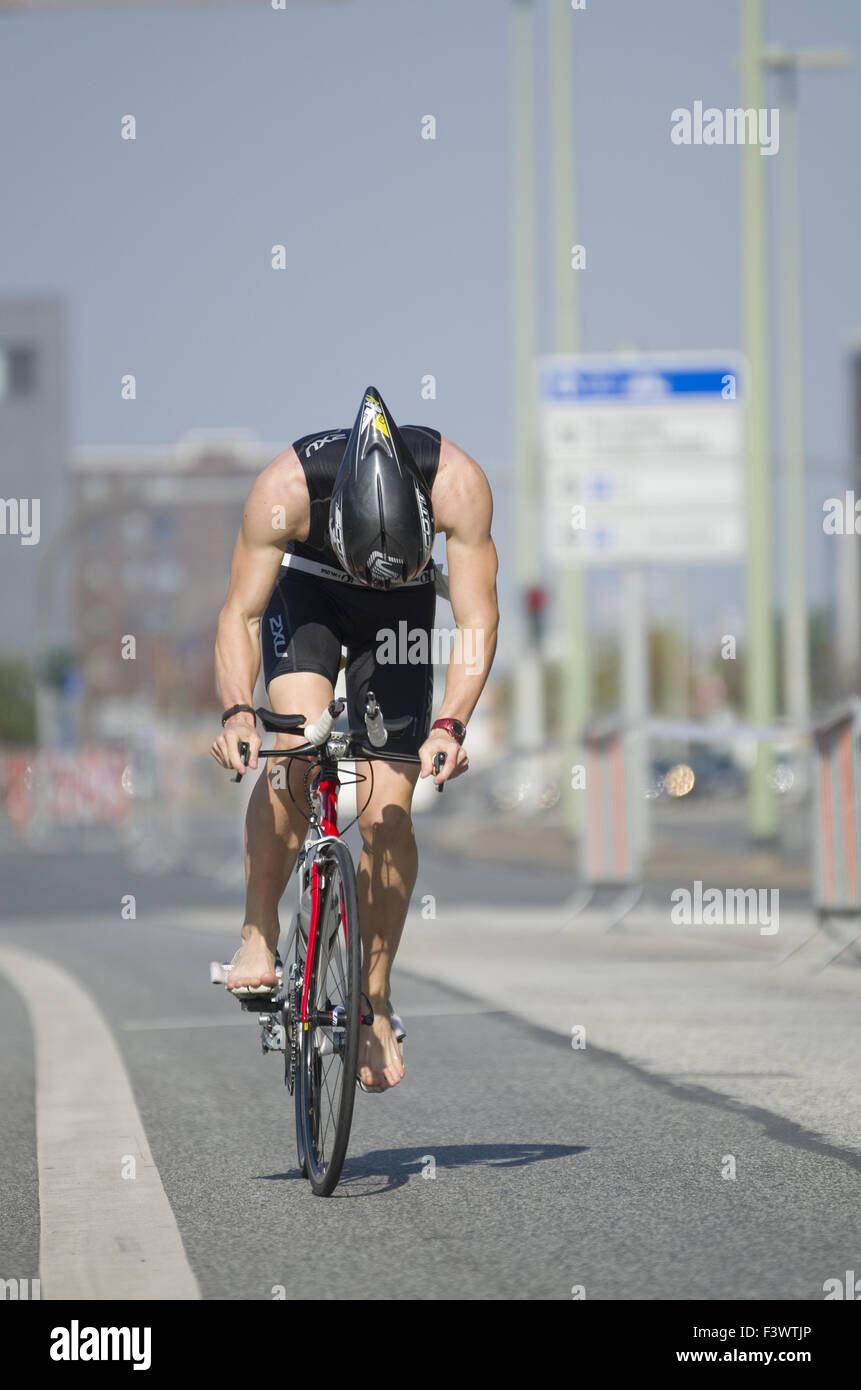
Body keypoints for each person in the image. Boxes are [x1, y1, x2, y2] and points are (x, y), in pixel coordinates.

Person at [210, 387, 498, 1091]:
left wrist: (450, 725)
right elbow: (240, 616)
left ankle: (371, 999)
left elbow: (476, 621)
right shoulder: (284, 489)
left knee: (387, 817)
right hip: (307, 594)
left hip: (398, 611)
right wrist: (238, 713)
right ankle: (257, 932)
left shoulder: (457, 483)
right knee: (297, 747)